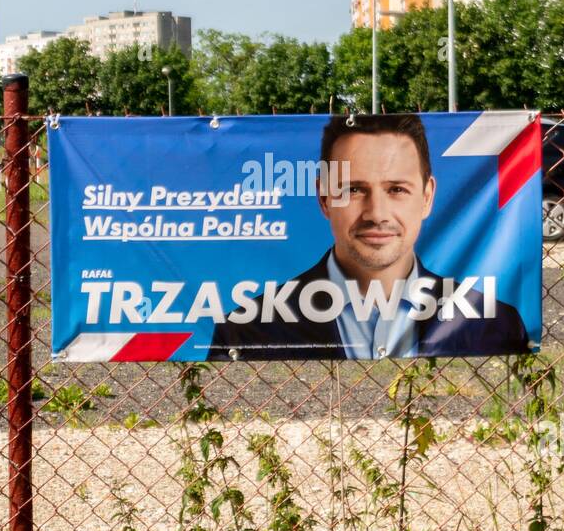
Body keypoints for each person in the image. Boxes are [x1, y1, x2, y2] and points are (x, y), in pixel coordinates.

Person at [208, 113, 528, 359]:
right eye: (354, 189)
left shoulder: (496, 322)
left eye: (397, 189)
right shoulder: (245, 328)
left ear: (427, 197)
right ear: (324, 197)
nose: (377, 213)